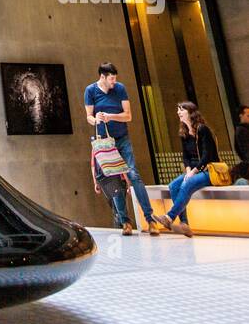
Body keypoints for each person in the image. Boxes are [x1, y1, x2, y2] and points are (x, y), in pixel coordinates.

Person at [84, 61, 168, 234]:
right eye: (111, 79)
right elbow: (88, 117)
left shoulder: (120, 89)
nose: (114, 82)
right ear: (102, 77)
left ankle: (149, 219)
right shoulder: (90, 91)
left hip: (122, 138)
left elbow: (128, 116)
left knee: (133, 175)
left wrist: (110, 116)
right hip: (106, 142)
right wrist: (97, 119)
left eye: (115, 78)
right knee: (115, 181)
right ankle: (125, 222)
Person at [157, 102, 219, 234]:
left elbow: (207, 156)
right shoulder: (184, 133)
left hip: (208, 170)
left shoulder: (202, 129)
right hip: (194, 171)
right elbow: (186, 157)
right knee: (173, 185)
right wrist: (188, 170)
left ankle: (169, 217)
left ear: (190, 112)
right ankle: (184, 223)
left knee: (187, 182)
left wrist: (194, 172)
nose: (178, 112)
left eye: (181, 109)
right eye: (177, 109)